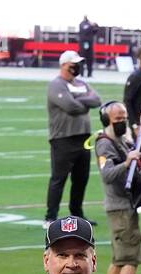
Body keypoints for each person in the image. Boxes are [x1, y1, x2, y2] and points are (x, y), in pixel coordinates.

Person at [95, 102, 141, 274]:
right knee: (129, 257)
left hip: (128, 204)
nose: (122, 122)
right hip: (119, 206)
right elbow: (107, 175)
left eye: (124, 118)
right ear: (107, 119)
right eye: (117, 119)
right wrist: (126, 163)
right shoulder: (105, 144)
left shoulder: (124, 139)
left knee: (120, 258)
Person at [45, 50, 101, 226]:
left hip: (83, 137)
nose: (77, 67)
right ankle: (50, 217)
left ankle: (77, 214)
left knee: (81, 179)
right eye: (73, 64)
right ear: (64, 65)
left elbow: (97, 100)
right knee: (58, 179)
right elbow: (70, 106)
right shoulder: (56, 84)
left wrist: (78, 100)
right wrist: (83, 101)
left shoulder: (81, 83)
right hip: (63, 137)